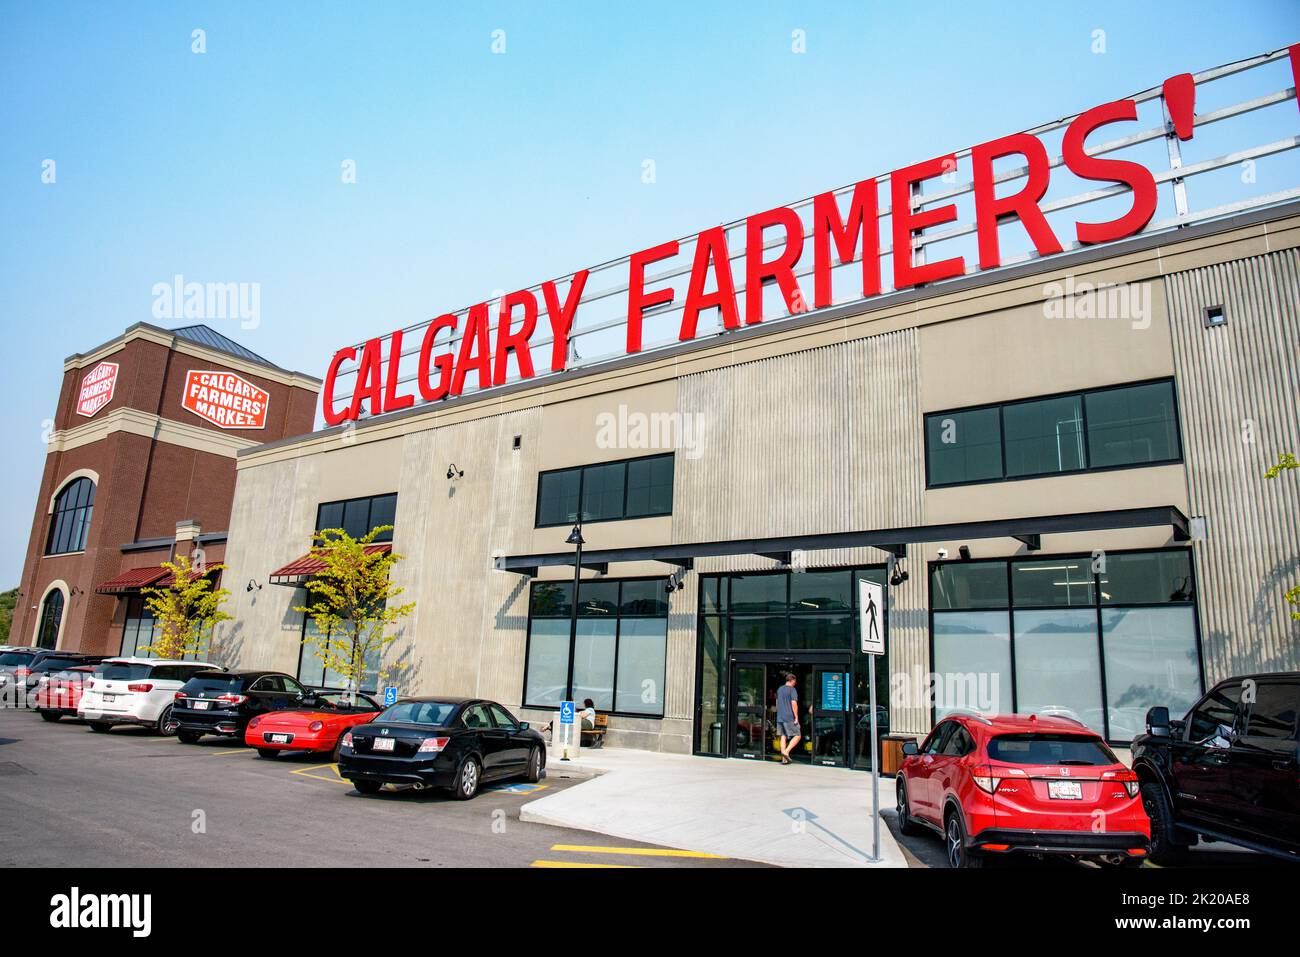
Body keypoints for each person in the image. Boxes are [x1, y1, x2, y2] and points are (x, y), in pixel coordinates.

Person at [776, 673, 801, 765]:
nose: (795, 683)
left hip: (780, 716)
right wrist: (796, 717)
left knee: (783, 736)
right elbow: (794, 703)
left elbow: (777, 702)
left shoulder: (779, 689)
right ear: (791, 681)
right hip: (789, 716)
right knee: (798, 735)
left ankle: (784, 759)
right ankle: (786, 752)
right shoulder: (792, 689)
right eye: (794, 681)